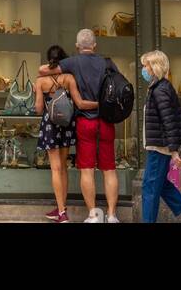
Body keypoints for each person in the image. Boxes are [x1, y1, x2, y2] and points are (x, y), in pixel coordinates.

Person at [39, 27, 119, 224]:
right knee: (109, 169)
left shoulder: (72, 62)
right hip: (106, 122)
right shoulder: (107, 62)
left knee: (87, 170)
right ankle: (111, 215)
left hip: (85, 121)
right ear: (94, 45)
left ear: (77, 46)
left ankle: (92, 215)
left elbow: (43, 70)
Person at [34, 43, 97, 224]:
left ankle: (61, 212)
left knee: (55, 168)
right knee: (63, 167)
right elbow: (78, 102)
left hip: (50, 126)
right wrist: (99, 104)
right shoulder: (69, 78)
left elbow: (38, 109)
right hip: (67, 125)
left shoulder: (40, 81)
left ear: (48, 60)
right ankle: (62, 207)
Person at [140, 49, 181, 224]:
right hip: (160, 145)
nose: (144, 69)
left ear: (154, 67)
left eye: (146, 66)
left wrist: (174, 151)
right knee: (162, 185)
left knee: (150, 188)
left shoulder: (159, 90)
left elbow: (169, 121)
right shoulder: (160, 87)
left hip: (160, 147)